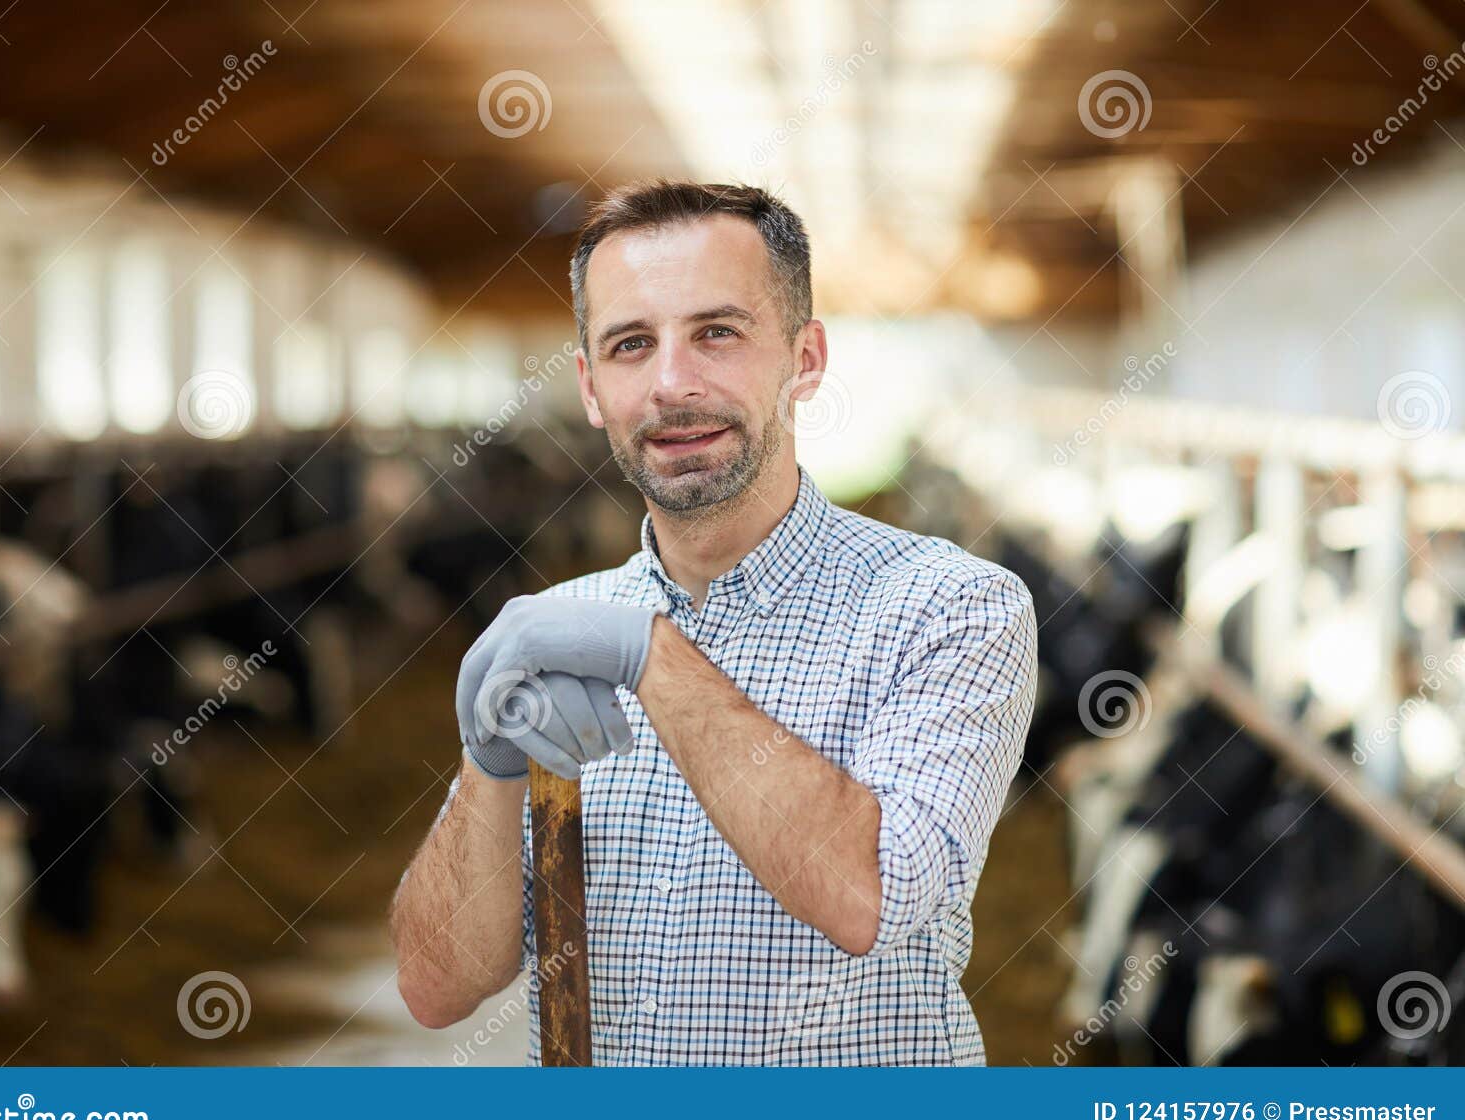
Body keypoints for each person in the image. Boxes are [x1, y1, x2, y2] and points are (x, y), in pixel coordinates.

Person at [389, 180, 1037, 1065]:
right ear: (590, 387)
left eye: (717, 333)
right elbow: (436, 989)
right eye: (630, 345)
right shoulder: (557, 636)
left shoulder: (948, 605)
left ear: (805, 358)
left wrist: (651, 654)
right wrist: (489, 765)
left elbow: (874, 897)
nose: (671, 384)